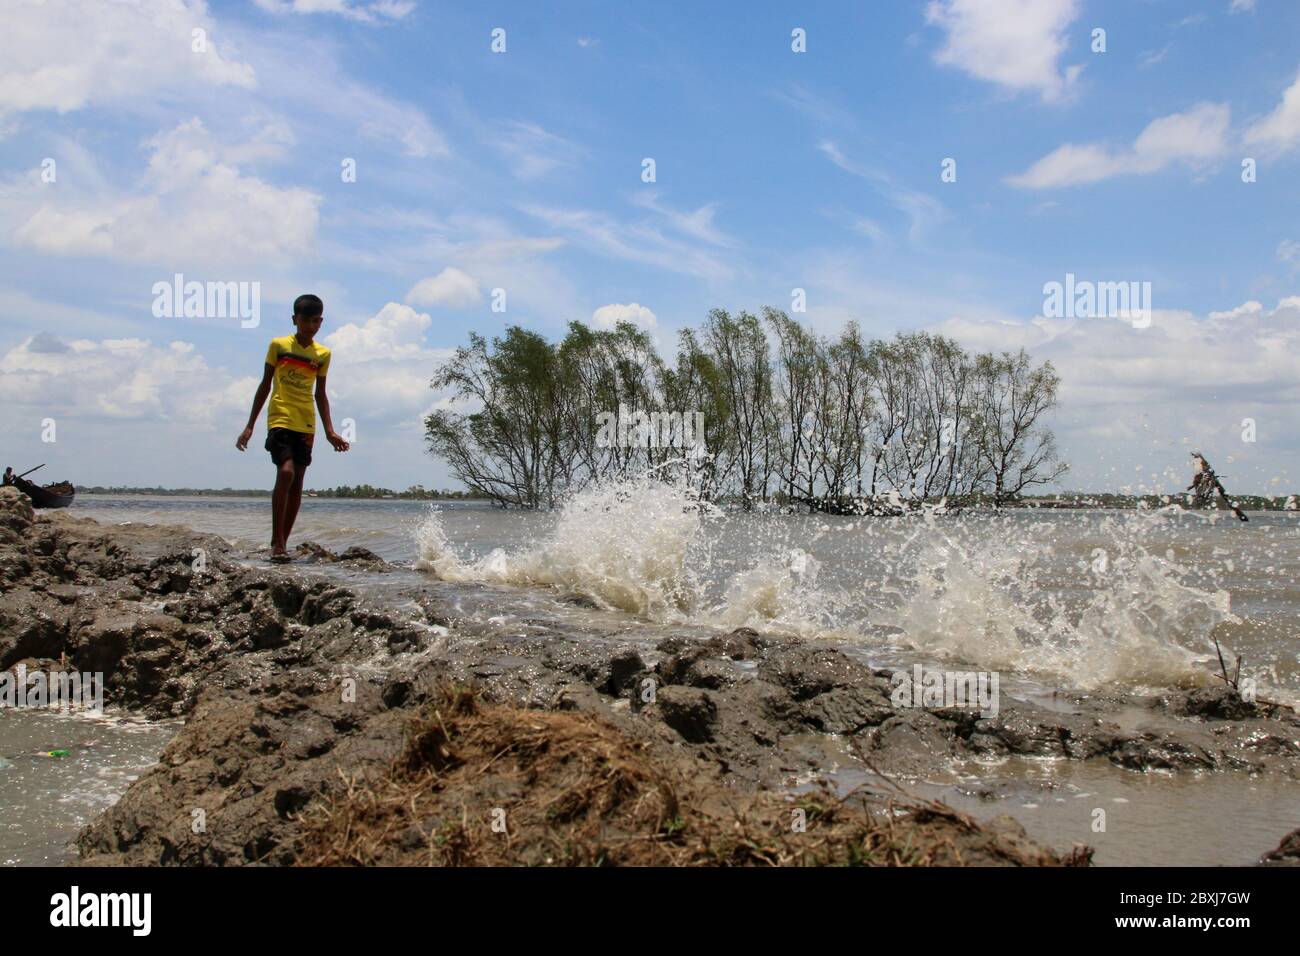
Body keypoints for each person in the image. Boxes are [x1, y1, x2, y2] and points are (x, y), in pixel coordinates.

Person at [236, 294, 349, 560]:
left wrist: (330, 431)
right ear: (294, 320)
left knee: (298, 481)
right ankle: (277, 540)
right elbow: (265, 385)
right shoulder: (279, 346)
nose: (312, 326)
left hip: (306, 422)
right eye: (306, 321)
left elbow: (321, 394)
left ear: (321, 321)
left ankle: (282, 544)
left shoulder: (322, 354)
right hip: (280, 417)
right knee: (285, 473)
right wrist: (250, 425)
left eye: (317, 321)